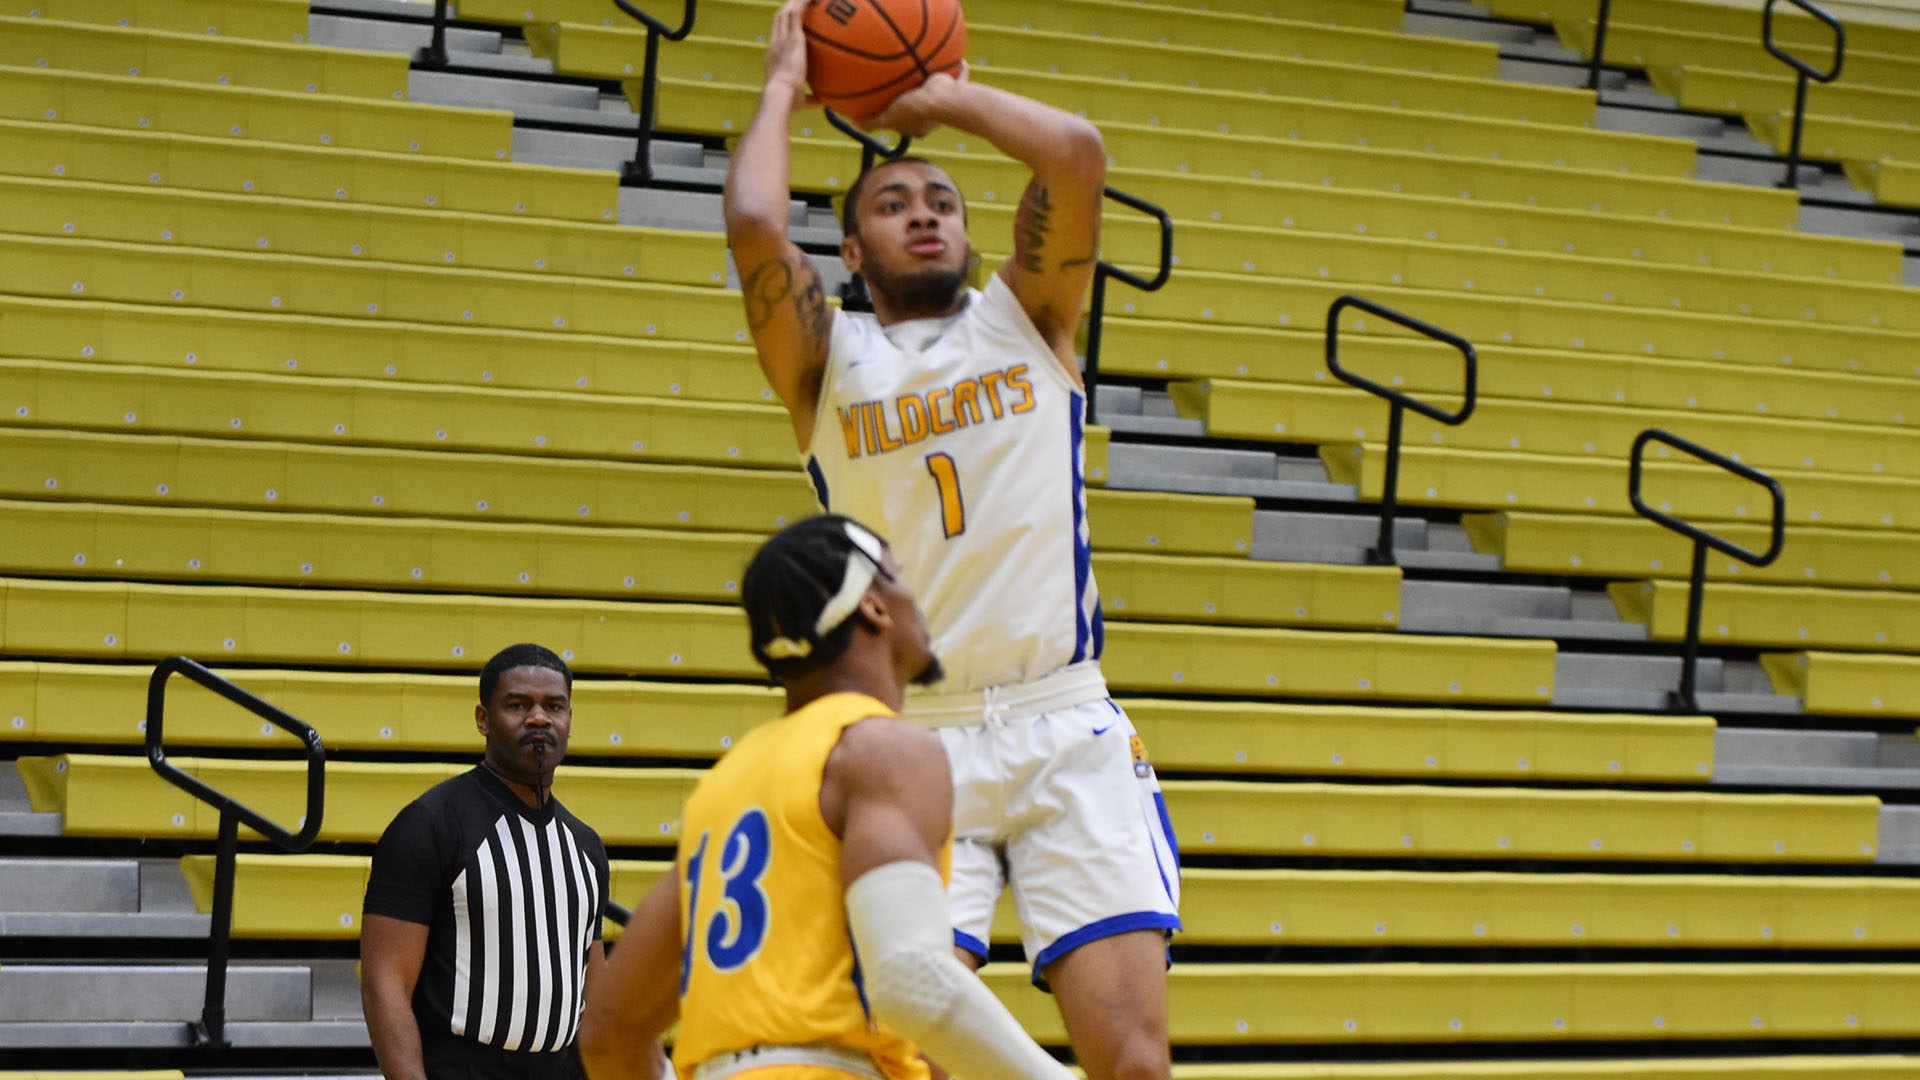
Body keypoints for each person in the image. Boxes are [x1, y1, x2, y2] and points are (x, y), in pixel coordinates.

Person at [721, 5, 1178, 1080]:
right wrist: (788, 83)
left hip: (1064, 720)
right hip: (912, 742)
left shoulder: (1030, 316)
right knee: (897, 1054)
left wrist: (938, 99)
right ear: (850, 248)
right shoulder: (825, 358)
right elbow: (751, 221)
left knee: (1136, 1065)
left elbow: (1078, 154)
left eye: (941, 200)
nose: (923, 213)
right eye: (891, 202)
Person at [578, 515, 1075, 1080]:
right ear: (875, 607)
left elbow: (609, 1029)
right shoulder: (880, 747)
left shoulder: (725, 783)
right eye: (901, 575)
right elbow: (910, 975)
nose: (917, 594)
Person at [362, 643, 610, 1080]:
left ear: (570, 720)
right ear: (483, 719)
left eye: (554, 706)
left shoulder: (586, 847)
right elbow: (385, 984)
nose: (538, 718)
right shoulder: (429, 824)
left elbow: (595, 988)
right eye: (517, 705)